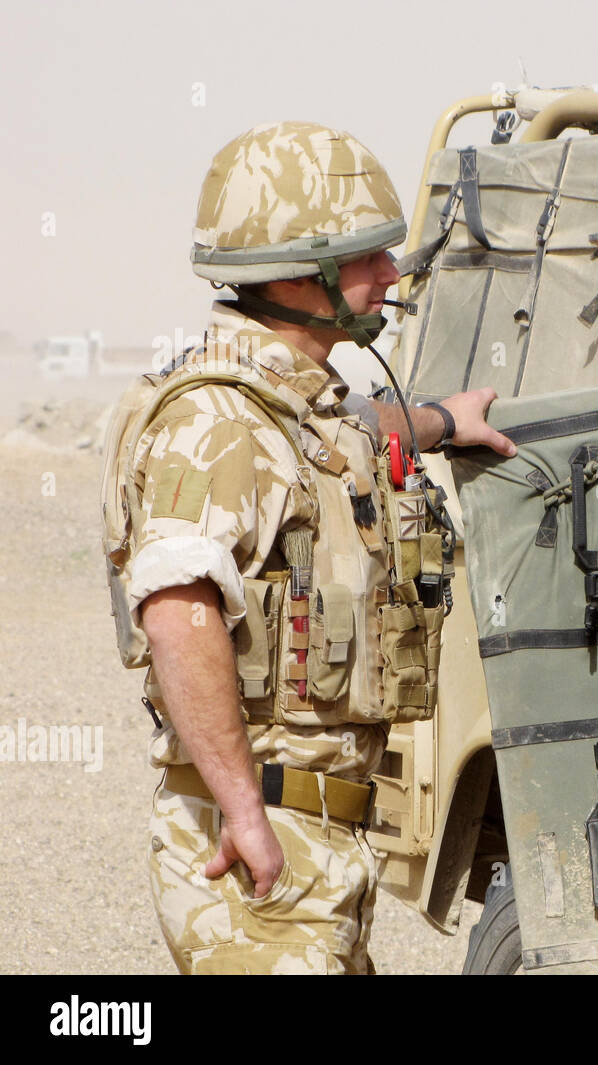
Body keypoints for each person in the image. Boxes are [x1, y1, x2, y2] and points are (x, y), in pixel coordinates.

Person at [103, 121, 514, 974]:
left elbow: (342, 436)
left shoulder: (288, 411)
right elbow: (179, 614)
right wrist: (245, 812)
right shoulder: (213, 423)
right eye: (367, 259)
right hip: (258, 841)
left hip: (316, 837)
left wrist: (442, 421)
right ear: (299, 271)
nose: (390, 276)